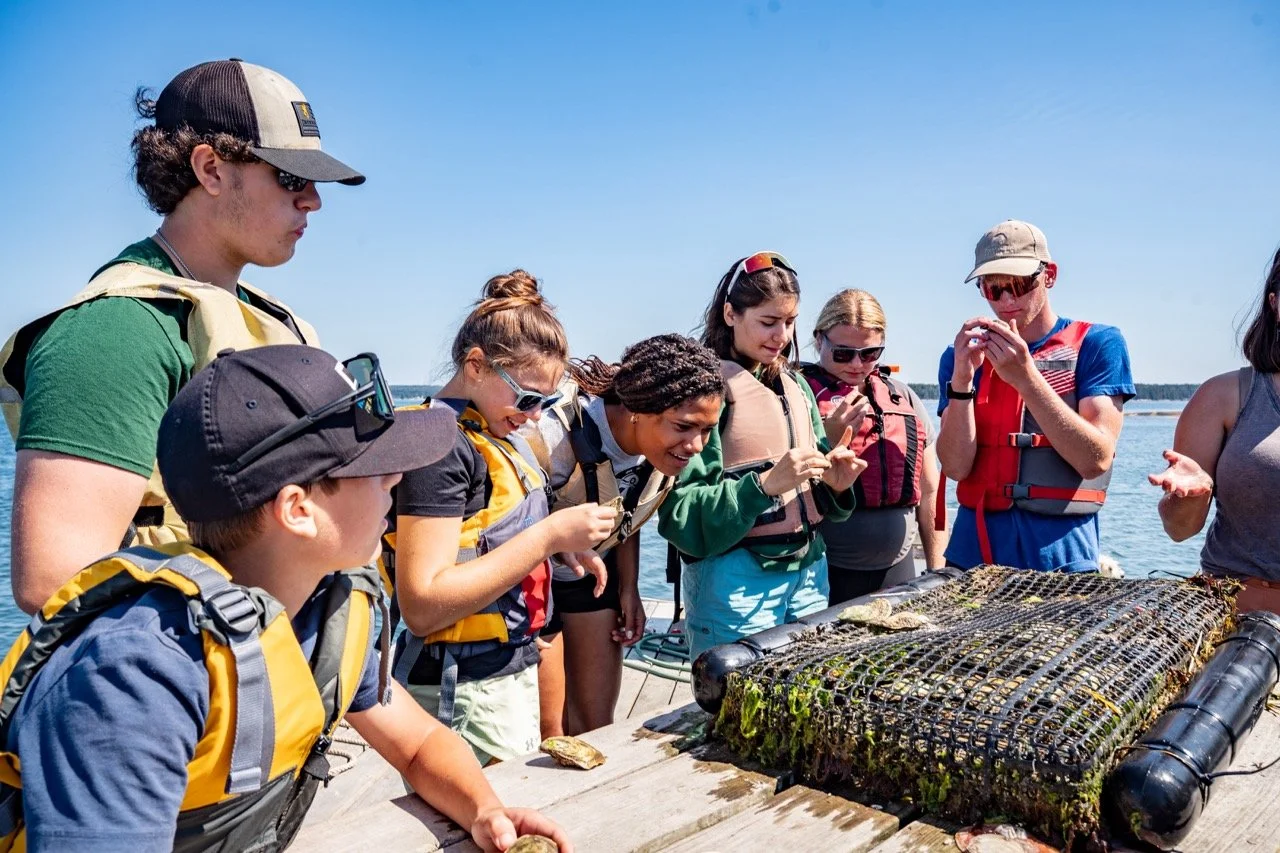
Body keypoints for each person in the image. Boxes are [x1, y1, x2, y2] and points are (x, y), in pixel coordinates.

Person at [0, 346, 572, 853]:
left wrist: (483, 809)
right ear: (297, 510)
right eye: (372, 469)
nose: (396, 481)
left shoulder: (332, 609)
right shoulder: (136, 673)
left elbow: (420, 743)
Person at [1, 58, 365, 614]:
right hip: (194, 689)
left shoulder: (280, 322)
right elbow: (54, 579)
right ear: (211, 169)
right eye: (291, 177)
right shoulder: (116, 330)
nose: (313, 199)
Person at [386, 270, 618, 766]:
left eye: (547, 402)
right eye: (527, 398)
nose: (535, 415)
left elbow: (490, 528)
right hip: (464, 688)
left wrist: (561, 545)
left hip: (504, 671)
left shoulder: (494, 431)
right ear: (475, 365)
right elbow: (422, 605)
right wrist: (550, 534)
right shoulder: (441, 447)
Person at [657, 252, 866, 659]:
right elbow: (679, 513)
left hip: (809, 576)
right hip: (734, 583)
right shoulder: (704, 393)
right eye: (768, 322)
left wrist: (835, 489)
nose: (782, 336)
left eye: (790, 322)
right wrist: (764, 486)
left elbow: (819, 493)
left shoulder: (797, 387)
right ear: (731, 314)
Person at [525, 334, 724, 737]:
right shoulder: (554, 436)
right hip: (531, 584)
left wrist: (628, 589)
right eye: (684, 427)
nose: (696, 446)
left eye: (707, 430)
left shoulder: (659, 452)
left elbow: (625, 510)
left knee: (596, 727)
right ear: (637, 411)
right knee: (548, 733)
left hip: (592, 578)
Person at [935, 220, 1135, 572]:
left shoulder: (1099, 344)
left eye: (1020, 284)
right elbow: (954, 466)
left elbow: (1096, 460)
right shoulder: (958, 358)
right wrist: (963, 381)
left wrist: (1027, 380)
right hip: (972, 553)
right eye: (994, 289)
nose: (1008, 299)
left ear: (1050, 275)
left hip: (1062, 558)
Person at [1149, 247, 1280, 612]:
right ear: (1275, 303)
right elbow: (1179, 530)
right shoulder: (1222, 397)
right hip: (1236, 622)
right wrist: (1191, 496)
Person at [800, 289, 946, 603]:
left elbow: (930, 491)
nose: (856, 364)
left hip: (897, 570)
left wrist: (937, 570)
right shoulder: (798, 397)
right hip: (821, 574)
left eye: (869, 354)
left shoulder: (903, 398)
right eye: (843, 353)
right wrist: (828, 436)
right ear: (818, 340)